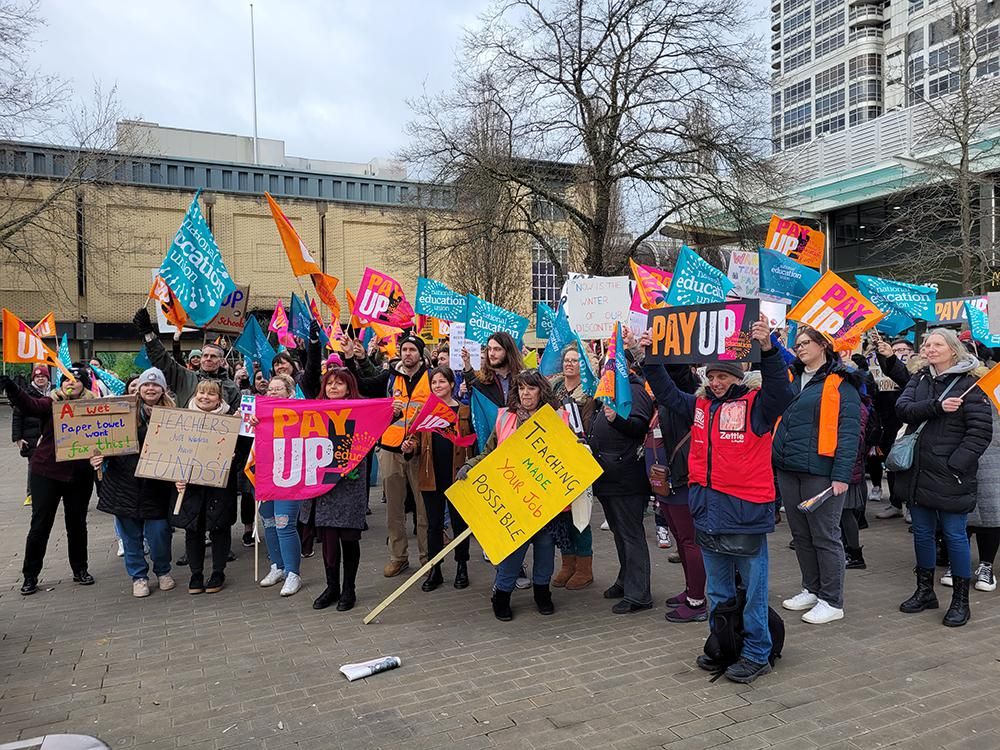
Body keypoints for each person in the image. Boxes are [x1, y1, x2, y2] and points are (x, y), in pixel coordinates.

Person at [639, 318, 793, 684]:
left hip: (745, 514)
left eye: (723, 376)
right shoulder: (700, 407)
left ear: (737, 377)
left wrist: (768, 349)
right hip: (707, 512)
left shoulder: (757, 407)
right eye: (712, 376)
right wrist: (647, 355)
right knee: (717, 590)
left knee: (754, 591)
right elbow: (665, 393)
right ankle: (722, 644)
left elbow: (781, 392)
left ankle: (757, 653)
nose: (716, 382)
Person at [896, 328, 992, 627]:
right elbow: (903, 409)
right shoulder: (920, 378)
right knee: (923, 533)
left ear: (953, 349)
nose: (930, 348)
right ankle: (925, 591)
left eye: (937, 344)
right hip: (919, 472)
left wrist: (955, 466)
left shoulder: (971, 384)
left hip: (952, 475)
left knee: (955, 535)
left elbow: (980, 433)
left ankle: (960, 601)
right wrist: (937, 407)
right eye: (926, 344)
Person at [457, 370, 567, 621]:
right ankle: (502, 594)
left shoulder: (556, 418)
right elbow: (489, 453)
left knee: (545, 549)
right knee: (513, 552)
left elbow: (567, 453)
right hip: (513, 497)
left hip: (546, 498)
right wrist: (470, 465)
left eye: (531, 388)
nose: (526, 393)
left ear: (541, 391)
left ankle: (542, 593)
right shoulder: (505, 418)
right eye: (521, 389)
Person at [772, 326, 862, 625]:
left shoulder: (842, 383)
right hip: (789, 468)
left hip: (822, 472)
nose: (799, 348)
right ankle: (811, 588)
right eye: (796, 344)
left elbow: (849, 434)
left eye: (805, 343)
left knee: (825, 536)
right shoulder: (793, 378)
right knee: (801, 535)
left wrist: (841, 476)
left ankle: (832, 600)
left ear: (824, 345)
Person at [1, 364, 100, 595]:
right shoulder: (51, 403)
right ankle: (30, 576)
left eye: (76, 379)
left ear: (84, 384)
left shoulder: (96, 407)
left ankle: (80, 569)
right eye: (66, 379)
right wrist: (13, 389)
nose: (71, 382)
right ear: (60, 384)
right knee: (40, 525)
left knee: (77, 524)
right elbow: (30, 405)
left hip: (79, 473)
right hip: (46, 472)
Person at [347, 331, 430, 577]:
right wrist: (352, 359)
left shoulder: (433, 377)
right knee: (394, 510)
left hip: (422, 451)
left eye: (412, 350)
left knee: (423, 509)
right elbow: (361, 385)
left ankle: (427, 558)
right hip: (391, 451)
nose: (408, 354)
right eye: (404, 350)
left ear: (421, 354)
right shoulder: (389, 377)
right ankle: (398, 556)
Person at [91, 367, 176, 597]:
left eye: (155, 384)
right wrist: (100, 454)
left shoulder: (174, 414)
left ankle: (163, 570)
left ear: (163, 389)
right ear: (138, 388)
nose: (150, 388)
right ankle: (138, 576)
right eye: (146, 384)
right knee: (130, 535)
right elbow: (104, 438)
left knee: (160, 533)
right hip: (124, 483)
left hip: (157, 485)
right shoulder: (121, 411)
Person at [587, 347, 654, 615]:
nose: (608, 369)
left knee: (631, 534)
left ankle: (639, 594)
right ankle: (626, 580)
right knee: (619, 533)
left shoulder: (635, 391)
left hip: (626, 476)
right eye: (606, 365)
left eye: (614, 365)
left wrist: (617, 422)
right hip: (609, 477)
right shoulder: (606, 393)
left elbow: (638, 426)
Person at [641, 358, 708, 623]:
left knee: (690, 541)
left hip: (681, 480)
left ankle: (697, 601)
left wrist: (648, 355)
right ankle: (690, 589)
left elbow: (669, 385)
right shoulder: (666, 404)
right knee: (680, 539)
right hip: (665, 482)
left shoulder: (685, 399)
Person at [401, 366, 474, 592]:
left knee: (459, 524)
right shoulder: (425, 411)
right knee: (433, 525)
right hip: (430, 475)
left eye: (442, 382)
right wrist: (409, 447)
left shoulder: (463, 411)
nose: (438, 386)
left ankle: (462, 566)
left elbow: (473, 441)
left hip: (457, 475)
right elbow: (412, 441)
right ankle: (435, 569)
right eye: (434, 383)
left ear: (452, 384)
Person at [172, 380, 238, 595]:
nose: (205, 397)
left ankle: (218, 571)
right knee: (193, 529)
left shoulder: (231, 421)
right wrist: (175, 476)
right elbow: (171, 451)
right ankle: (196, 573)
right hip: (191, 485)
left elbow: (243, 452)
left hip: (220, 484)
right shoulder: (182, 421)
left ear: (219, 398)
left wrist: (233, 456)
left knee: (220, 526)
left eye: (211, 394)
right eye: (201, 393)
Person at [311, 368, 369, 612]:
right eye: (329, 383)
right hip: (324, 483)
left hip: (350, 483)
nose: (333, 387)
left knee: (349, 538)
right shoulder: (313, 410)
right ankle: (331, 586)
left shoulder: (362, 409)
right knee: (329, 541)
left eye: (339, 383)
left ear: (349, 387)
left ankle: (349, 588)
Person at [549, 345, 598, 590]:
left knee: (580, 514)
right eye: (567, 360)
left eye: (575, 361)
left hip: (579, 457)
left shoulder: (589, 393)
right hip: (556, 458)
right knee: (561, 516)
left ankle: (584, 567)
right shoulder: (555, 389)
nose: (570, 364)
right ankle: (567, 563)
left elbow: (590, 427)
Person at [133, 307, 241, 412]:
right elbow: (163, 361)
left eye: (213, 356)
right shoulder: (186, 378)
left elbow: (237, 420)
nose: (208, 359)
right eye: (205, 355)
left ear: (222, 361)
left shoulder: (232, 388)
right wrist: (148, 334)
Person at [254, 374, 304, 597]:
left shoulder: (300, 411)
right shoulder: (259, 411)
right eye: (270, 390)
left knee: (285, 523)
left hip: (289, 476)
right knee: (269, 521)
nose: (272, 393)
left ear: (290, 392)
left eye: (278, 389)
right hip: (265, 474)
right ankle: (278, 566)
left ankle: (293, 572)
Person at [872, 335, 916, 519]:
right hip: (889, 423)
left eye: (903, 351)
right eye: (896, 350)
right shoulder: (883, 369)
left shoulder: (917, 372)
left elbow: (902, 376)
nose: (900, 354)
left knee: (909, 465)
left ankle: (911, 506)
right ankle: (895, 503)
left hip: (910, 423)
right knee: (892, 462)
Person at [11, 365, 51, 506]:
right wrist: (18, 438)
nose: (40, 379)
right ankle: (31, 494)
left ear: (48, 378)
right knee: (34, 465)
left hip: (50, 436)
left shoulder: (54, 393)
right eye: (37, 376)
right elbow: (17, 416)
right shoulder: (26, 394)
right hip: (31, 437)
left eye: (43, 376)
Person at [462, 332, 524, 408]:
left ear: (508, 352)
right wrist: (467, 363)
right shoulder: (482, 381)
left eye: (497, 349)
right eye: (489, 349)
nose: (491, 353)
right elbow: (472, 386)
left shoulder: (522, 379)